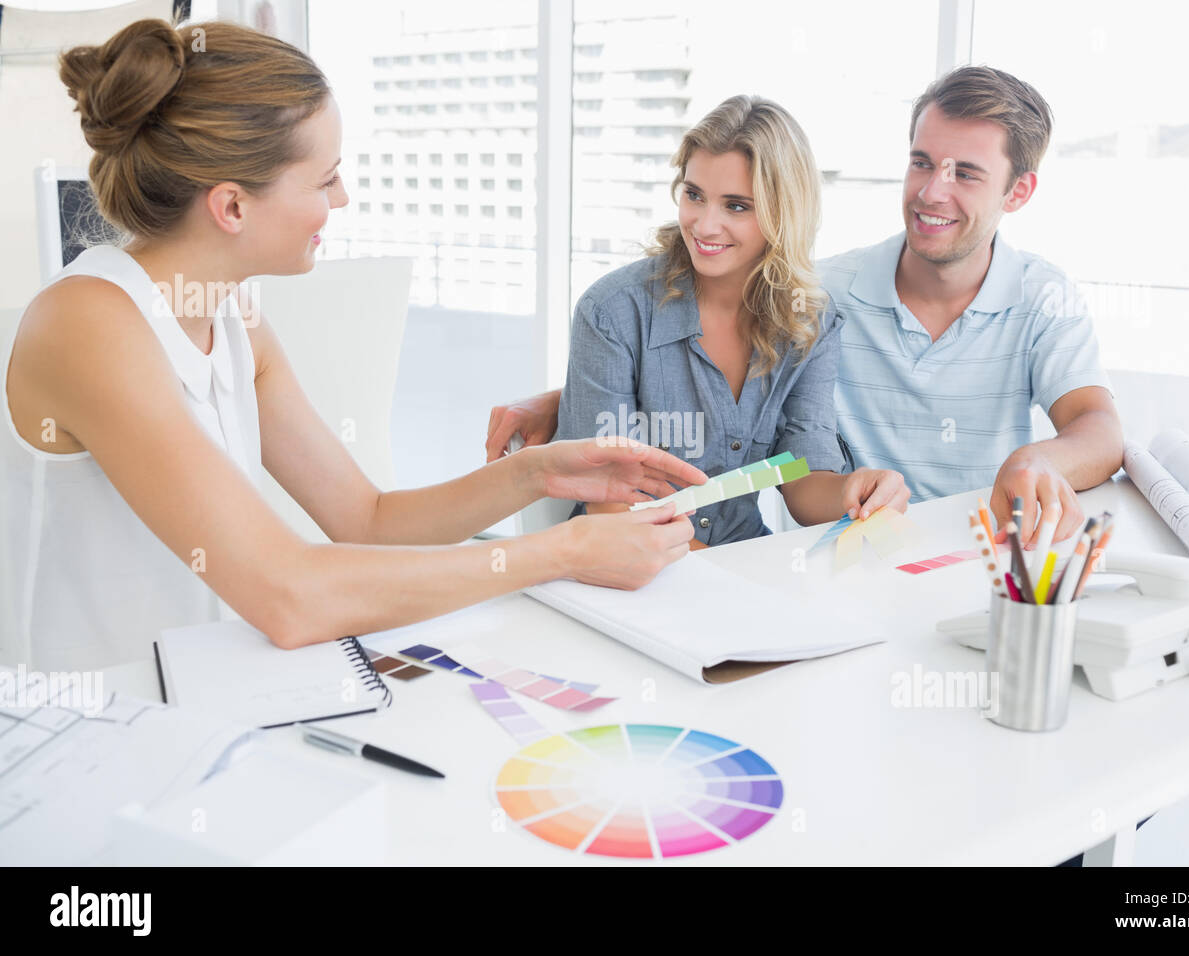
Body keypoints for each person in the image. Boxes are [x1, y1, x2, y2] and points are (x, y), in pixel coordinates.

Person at [1, 18, 705, 672]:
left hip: (207, 697)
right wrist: (562, 551)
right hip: (88, 737)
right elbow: (289, 595)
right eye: (324, 177)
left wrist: (540, 475)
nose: (341, 199)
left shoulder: (233, 318)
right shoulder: (88, 323)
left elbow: (365, 520)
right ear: (232, 205)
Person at [486, 67, 1123, 548]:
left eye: (967, 173)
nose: (933, 191)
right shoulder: (829, 290)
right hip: (765, 561)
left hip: (965, 553)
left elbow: (1099, 429)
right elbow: (641, 354)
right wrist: (566, 400)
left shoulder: (814, 311)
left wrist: (1029, 459)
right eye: (922, 162)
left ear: (1020, 191)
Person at [551, 95, 910, 548]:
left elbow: (802, 477)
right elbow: (608, 503)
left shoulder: (810, 322)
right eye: (694, 195)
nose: (704, 225)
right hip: (626, 564)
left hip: (739, 561)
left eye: (736, 206)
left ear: (784, 213)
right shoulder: (612, 313)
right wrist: (722, 577)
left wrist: (854, 493)